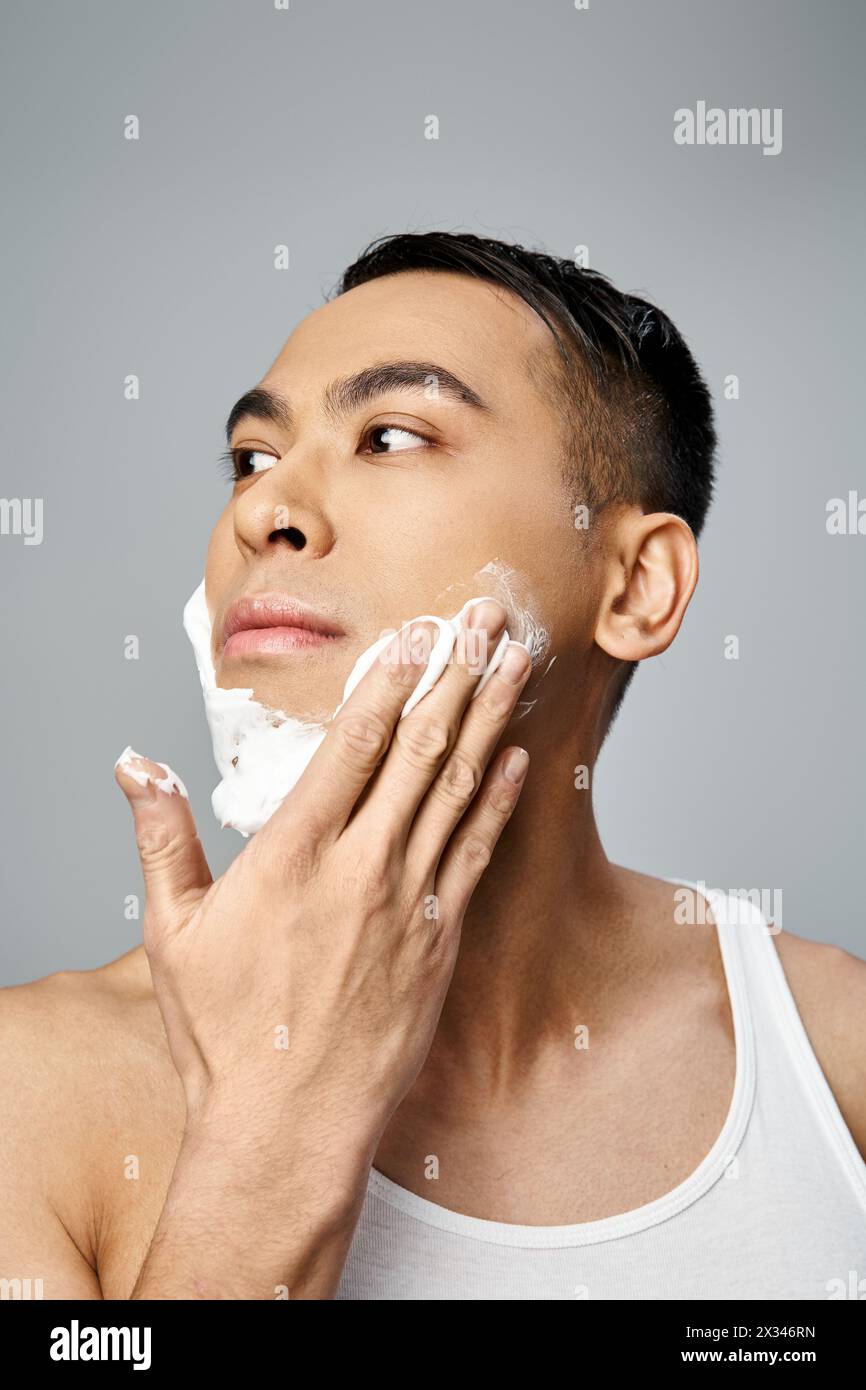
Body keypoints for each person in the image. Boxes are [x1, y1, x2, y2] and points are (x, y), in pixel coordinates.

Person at [2, 232, 864, 1301]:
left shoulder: (833, 1058)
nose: (261, 511)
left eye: (392, 436)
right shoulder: (27, 1093)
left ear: (637, 583)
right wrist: (272, 1128)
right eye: (251, 458)